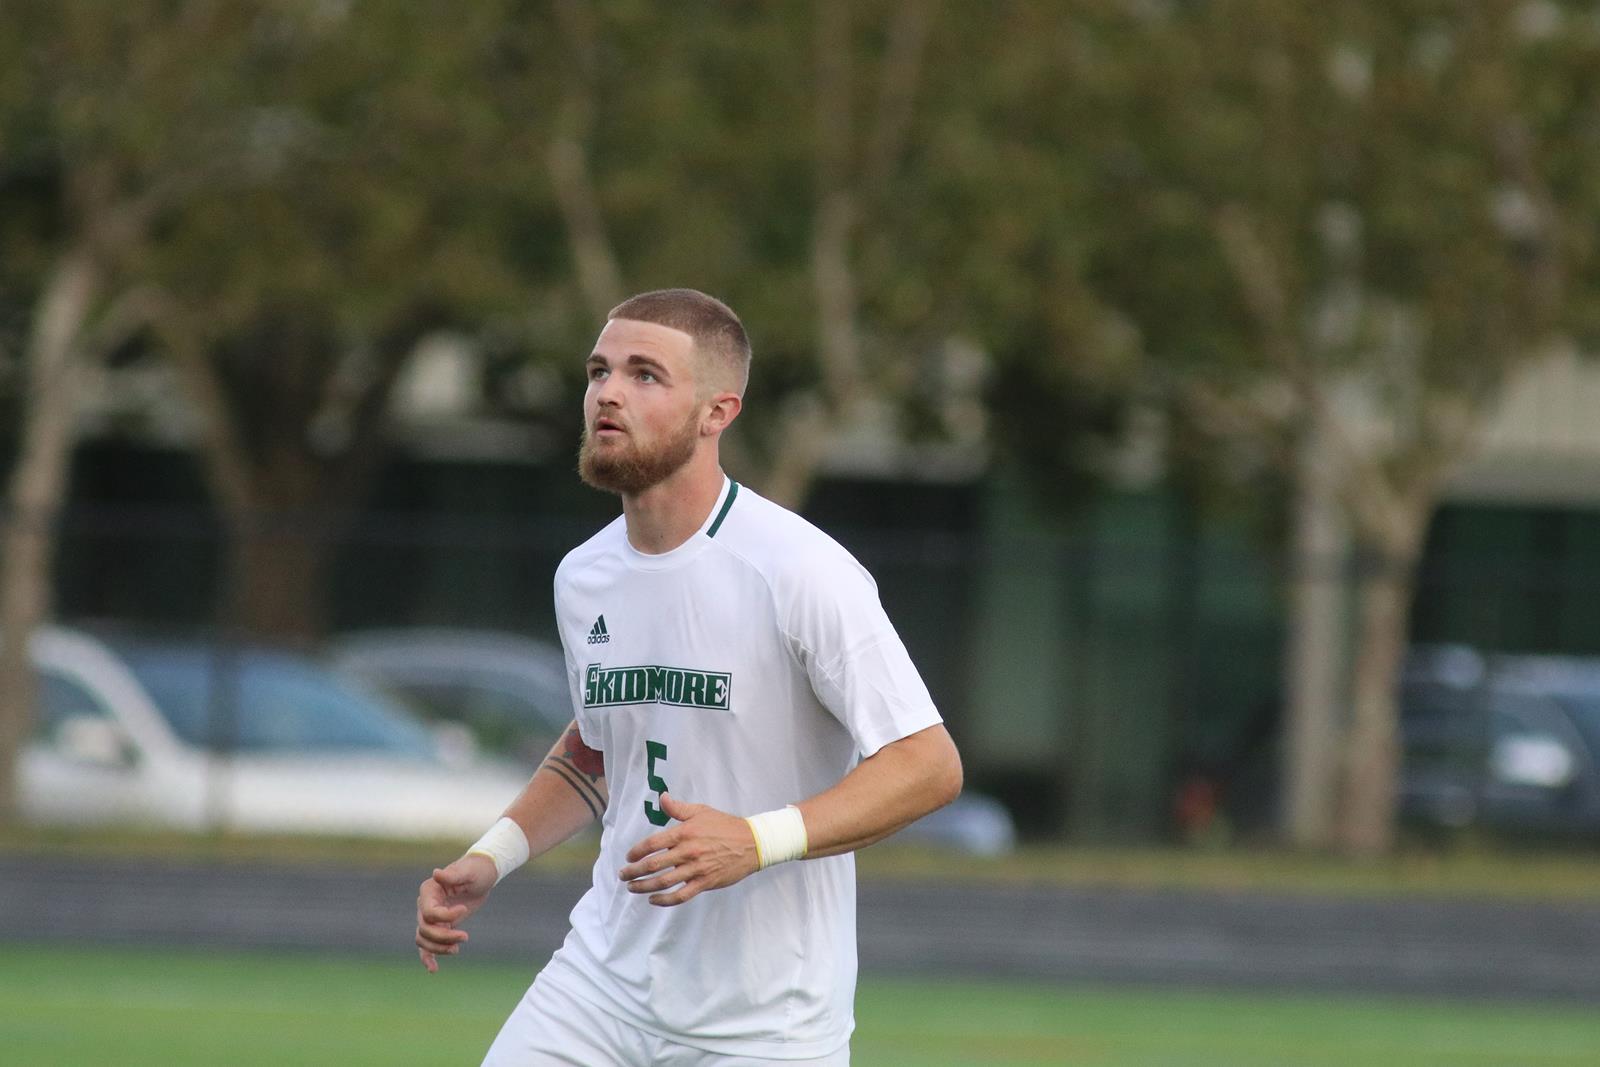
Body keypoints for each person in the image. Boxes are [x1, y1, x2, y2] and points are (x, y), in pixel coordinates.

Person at [415, 288, 963, 1065]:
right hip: (599, 989)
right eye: (599, 370)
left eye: (645, 375)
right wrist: (494, 853)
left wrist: (754, 839)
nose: (607, 392)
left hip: (766, 1028)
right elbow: (601, 747)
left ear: (718, 412)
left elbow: (928, 763)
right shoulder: (585, 576)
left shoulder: (800, 570)